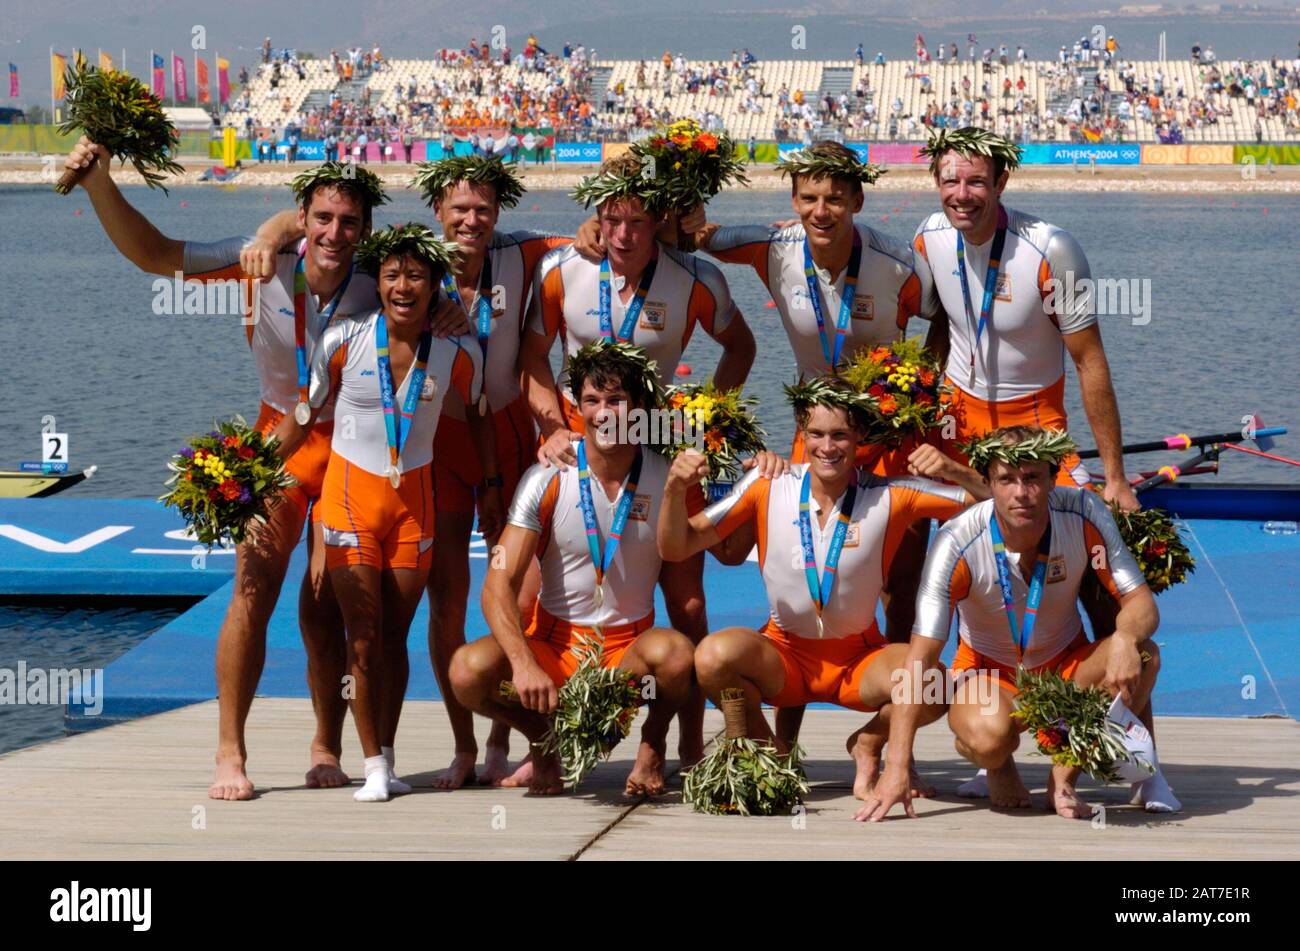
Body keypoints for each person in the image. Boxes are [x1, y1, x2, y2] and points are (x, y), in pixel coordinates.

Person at [61, 145, 390, 800]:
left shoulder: (386, 275)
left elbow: (460, 281)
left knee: (327, 598)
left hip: (354, 446)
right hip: (277, 445)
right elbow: (154, 253)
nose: (333, 233)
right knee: (251, 586)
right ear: (303, 216)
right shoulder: (258, 262)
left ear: (366, 231)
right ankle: (230, 750)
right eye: (321, 218)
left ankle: (326, 741)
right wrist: (99, 183)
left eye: (348, 222)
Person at [522, 153, 757, 765]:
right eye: (612, 218)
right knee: (532, 593)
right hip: (580, 447)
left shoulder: (696, 277)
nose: (623, 234)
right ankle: (524, 742)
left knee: (688, 604)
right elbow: (532, 356)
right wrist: (550, 427)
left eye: (637, 220)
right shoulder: (560, 269)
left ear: (658, 220)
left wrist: (706, 419)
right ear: (597, 215)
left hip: (661, 442)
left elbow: (740, 346)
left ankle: (676, 738)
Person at [658, 378, 987, 798]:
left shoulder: (892, 494)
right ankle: (771, 752)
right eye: (815, 434)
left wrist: (952, 468)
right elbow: (676, 545)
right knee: (712, 657)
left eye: (839, 435)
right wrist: (673, 489)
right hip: (785, 655)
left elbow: (993, 503)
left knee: (934, 686)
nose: (827, 447)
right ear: (800, 433)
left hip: (858, 660)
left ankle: (867, 742)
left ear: (859, 438)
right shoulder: (766, 484)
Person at [274, 224, 495, 803]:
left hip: (412, 506)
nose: (403, 286)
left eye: (416, 276)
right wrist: (247, 473)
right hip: (349, 499)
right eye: (392, 275)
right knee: (364, 638)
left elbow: (477, 418)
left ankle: (388, 758)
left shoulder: (458, 351)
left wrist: (492, 485)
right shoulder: (344, 338)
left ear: (434, 285)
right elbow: (303, 415)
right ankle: (371, 764)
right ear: (379, 282)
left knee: (394, 638)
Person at [855, 426, 1180, 821]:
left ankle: (1064, 777)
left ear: (1052, 477)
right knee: (988, 738)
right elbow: (919, 661)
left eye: (1032, 478)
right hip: (988, 677)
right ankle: (996, 763)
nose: (1020, 493)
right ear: (988, 482)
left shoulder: (1083, 512)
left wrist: (1125, 637)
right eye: (1006, 479)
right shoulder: (956, 541)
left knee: (1144, 654)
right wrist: (898, 768)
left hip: (1065, 668)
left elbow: (1141, 603)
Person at [450, 343, 706, 795]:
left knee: (678, 652)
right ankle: (543, 739)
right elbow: (496, 586)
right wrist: (525, 665)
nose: (603, 413)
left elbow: (687, 603)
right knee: (466, 671)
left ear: (642, 407)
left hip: (627, 656)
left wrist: (691, 730)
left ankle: (651, 745)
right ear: (576, 407)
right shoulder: (547, 476)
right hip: (558, 650)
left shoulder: (669, 477)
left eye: (617, 401)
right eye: (591, 401)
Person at [912, 127, 1138, 512]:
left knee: (1086, 529)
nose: (961, 195)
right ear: (937, 180)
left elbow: (1089, 361)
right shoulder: (928, 236)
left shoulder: (1052, 250)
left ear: (1002, 182)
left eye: (977, 182)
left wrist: (1115, 477)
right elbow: (941, 326)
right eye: (950, 180)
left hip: (1032, 420)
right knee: (906, 513)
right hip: (953, 419)